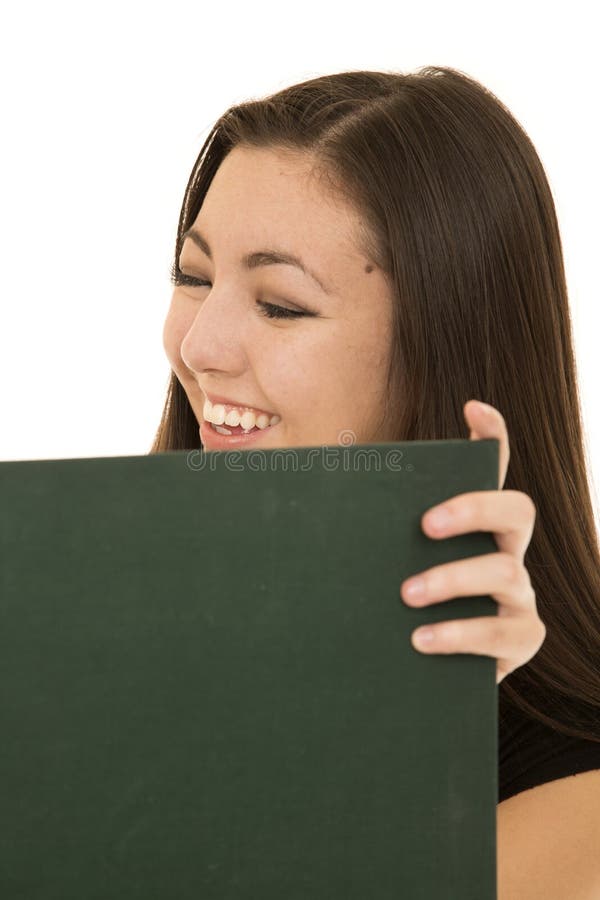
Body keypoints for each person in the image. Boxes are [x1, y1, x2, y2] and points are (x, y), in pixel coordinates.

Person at [152, 66, 600, 896]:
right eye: (194, 276)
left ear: (446, 347)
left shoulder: (577, 792)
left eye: (281, 304)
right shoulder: (97, 635)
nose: (200, 345)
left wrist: (403, 726)